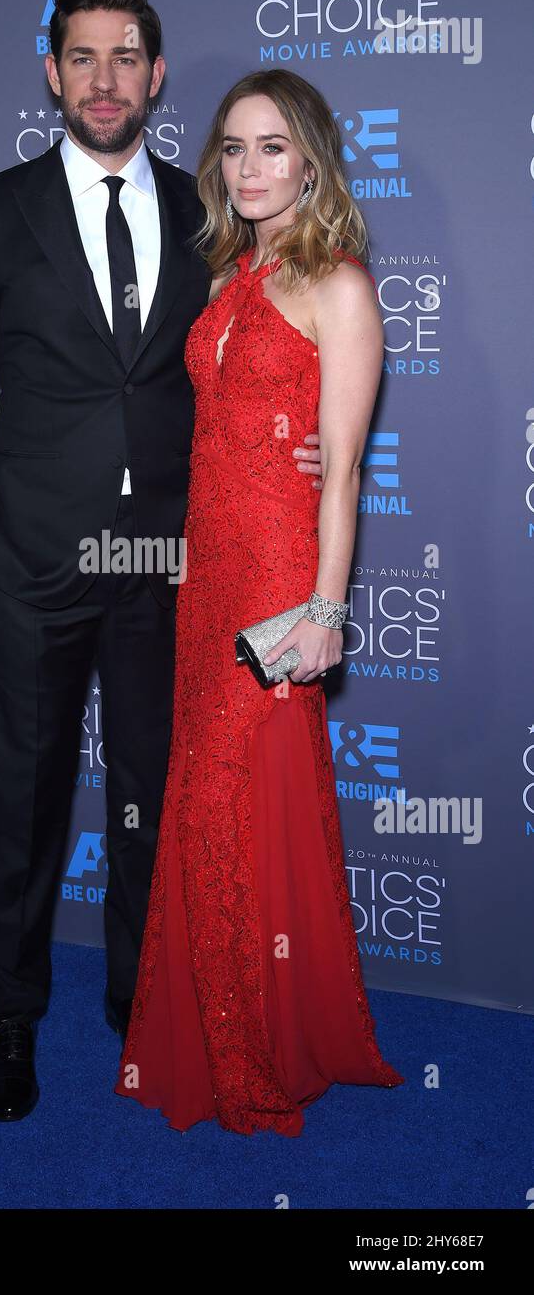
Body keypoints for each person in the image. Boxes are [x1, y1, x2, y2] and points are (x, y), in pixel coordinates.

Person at [0, 0, 323, 1123]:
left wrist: (303, 452)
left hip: (167, 572)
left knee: (156, 795)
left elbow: (258, 364)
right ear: (53, 74)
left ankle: (141, 1000)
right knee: (28, 801)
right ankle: (11, 1016)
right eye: (82, 57)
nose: (105, 79)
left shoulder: (210, 219)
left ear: (155, 76)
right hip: (30, 570)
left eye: (126, 57)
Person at [114, 68, 404, 1135]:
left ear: (313, 157)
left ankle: (250, 1050)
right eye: (232, 148)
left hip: (278, 586)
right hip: (210, 577)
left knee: (232, 804)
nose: (247, 168)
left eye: (271, 147)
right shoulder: (235, 271)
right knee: (211, 800)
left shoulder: (340, 285)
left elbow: (339, 472)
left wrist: (323, 610)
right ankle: (220, 1022)